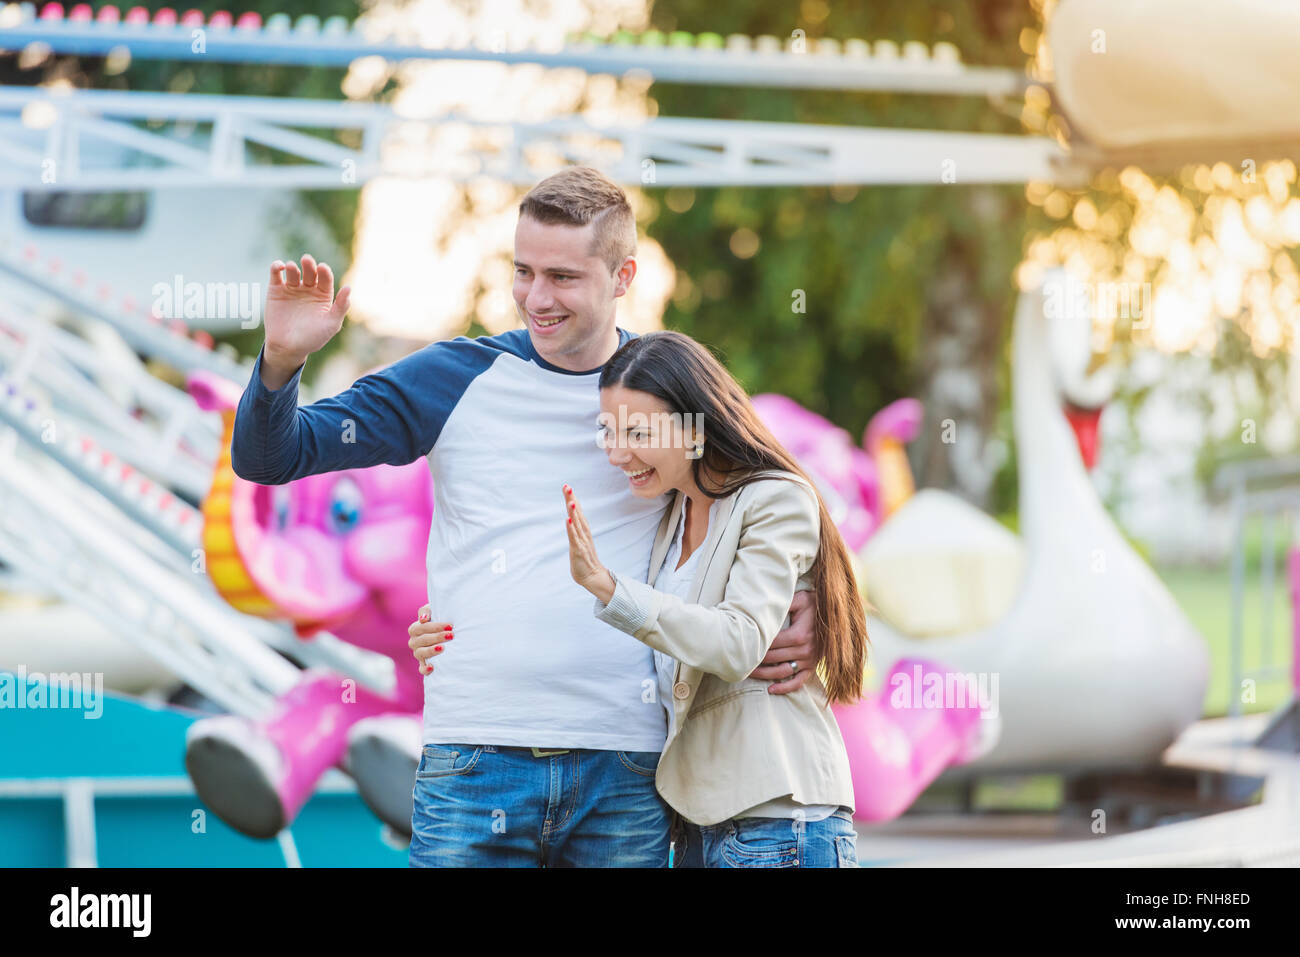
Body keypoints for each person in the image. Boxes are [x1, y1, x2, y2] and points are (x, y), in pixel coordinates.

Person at [230, 165, 820, 867]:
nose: (536, 298)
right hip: (474, 759)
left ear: (623, 274)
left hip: (627, 767)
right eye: (523, 271)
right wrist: (280, 363)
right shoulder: (447, 378)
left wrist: (811, 601)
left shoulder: (664, 390)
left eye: (563, 277)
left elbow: (773, 494)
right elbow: (273, 457)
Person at [563, 329, 870, 867]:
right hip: (701, 824)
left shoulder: (773, 498)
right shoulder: (669, 516)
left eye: (637, 431)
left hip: (778, 821)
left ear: (695, 426)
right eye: (607, 431)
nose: (617, 453)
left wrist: (609, 590)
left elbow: (738, 643)